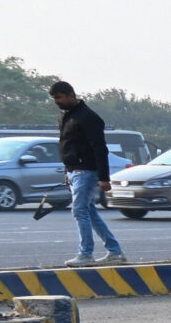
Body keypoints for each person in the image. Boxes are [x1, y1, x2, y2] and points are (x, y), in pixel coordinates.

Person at [46, 81, 125, 266]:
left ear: (71, 95)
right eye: (54, 99)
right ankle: (115, 251)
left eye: (59, 97)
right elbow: (67, 145)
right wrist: (68, 170)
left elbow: (100, 148)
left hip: (87, 171)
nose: (57, 102)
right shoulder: (65, 117)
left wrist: (103, 177)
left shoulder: (88, 117)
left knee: (79, 210)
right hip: (75, 171)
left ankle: (86, 254)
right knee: (89, 212)